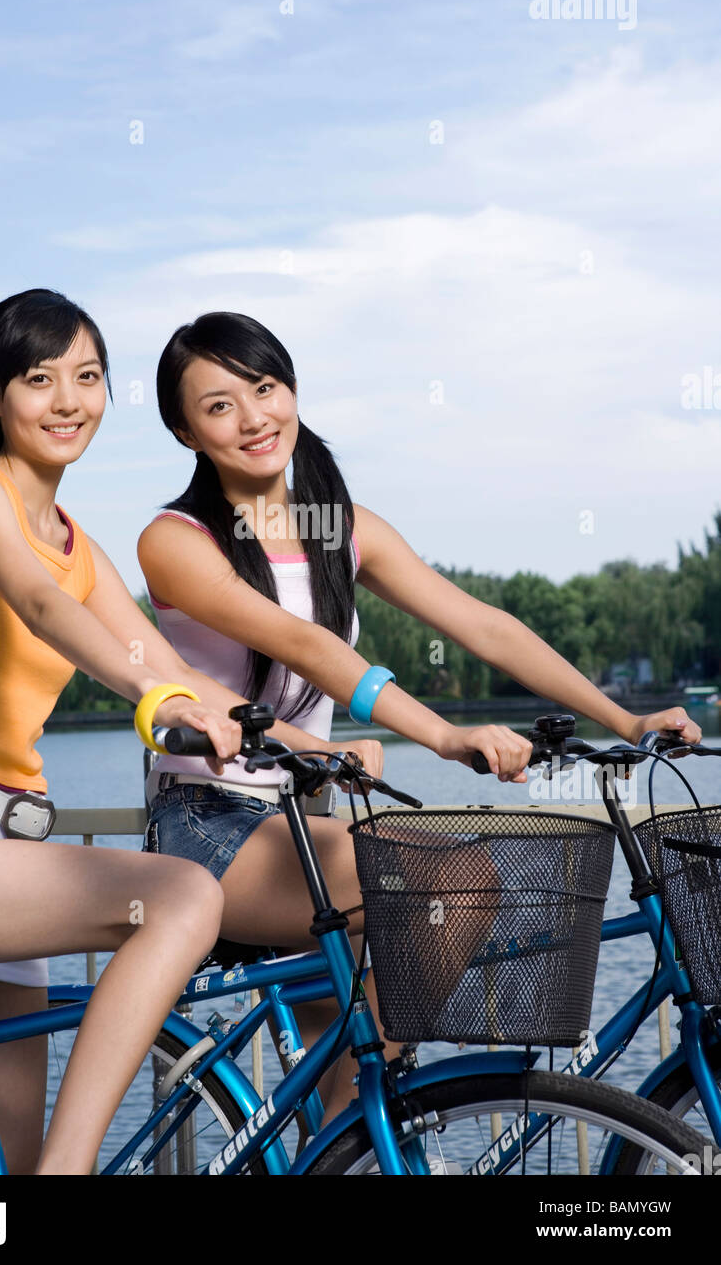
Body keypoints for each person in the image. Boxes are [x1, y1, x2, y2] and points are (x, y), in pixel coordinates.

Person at [137, 309, 703, 1122]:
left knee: (354, 1063)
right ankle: (349, 1137)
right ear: (184, 430)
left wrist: (623, 717)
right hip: (208, 826)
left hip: (307, 818)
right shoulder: (176, 540)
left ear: (291, 390)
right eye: (220, 404)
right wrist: (442, 734)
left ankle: (340, 1142)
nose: (254, 417)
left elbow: (482, 625)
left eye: (265, 388)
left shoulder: (345, 528)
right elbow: (304, 646)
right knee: (456, 879)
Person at [0, 290, 328, 1176]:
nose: (69, 399)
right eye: (41, 379)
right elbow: (38, 606)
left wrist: (317, 750)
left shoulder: (78, 542)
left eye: (88, 377)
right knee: (184, 898)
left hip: (1, 844)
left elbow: (170, 667)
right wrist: (151, 703)